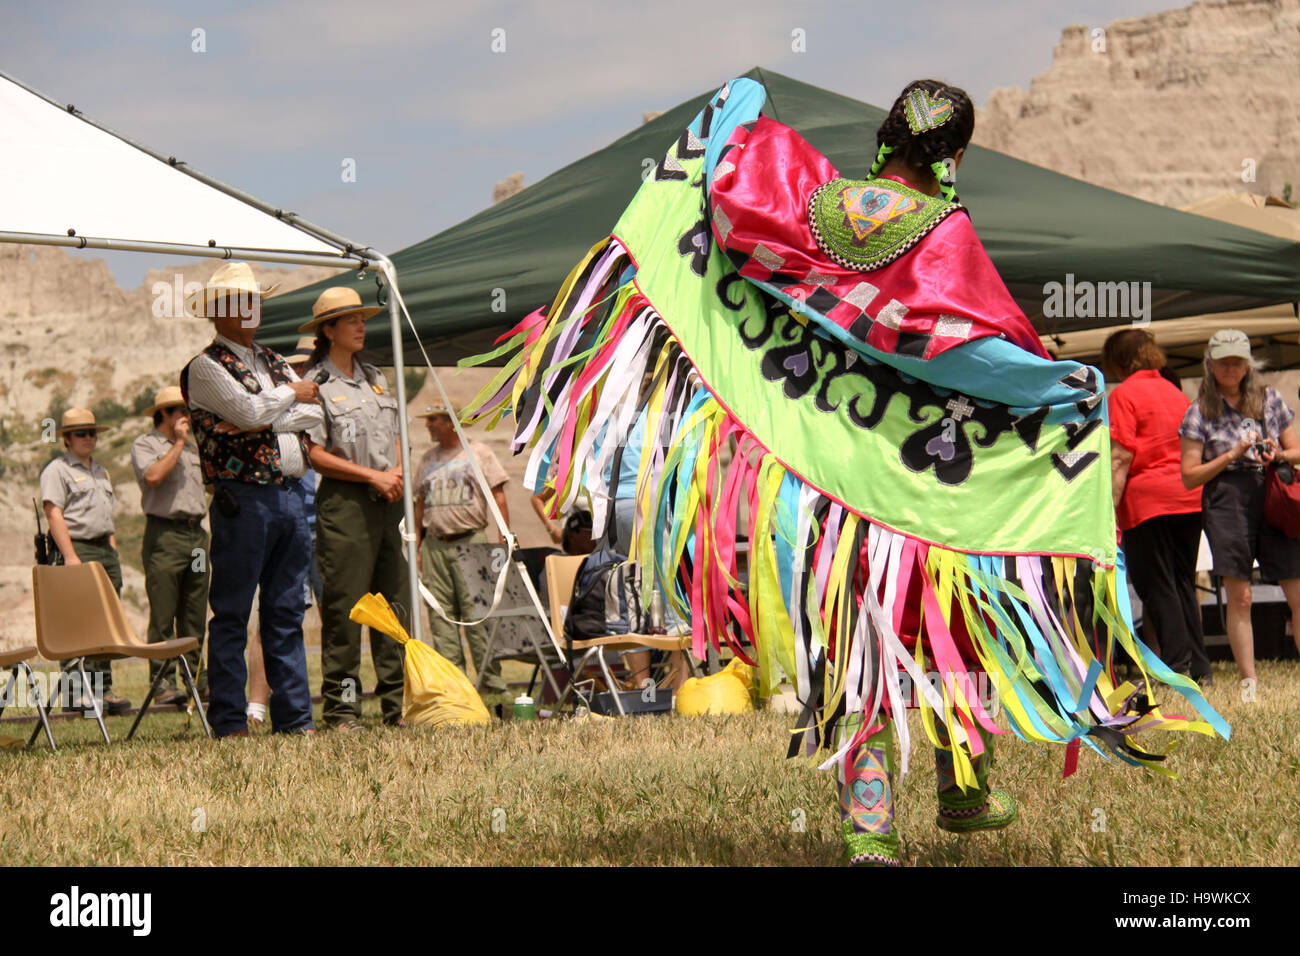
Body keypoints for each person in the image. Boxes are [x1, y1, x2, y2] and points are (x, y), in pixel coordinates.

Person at [463, 76, 1228, 867]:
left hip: (819, 484)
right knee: (941, 628)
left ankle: (870, 829)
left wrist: (742, 97)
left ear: (887, 136)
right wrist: (1062, 386)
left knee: (852, 639)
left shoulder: (814, 205)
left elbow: (734, 182)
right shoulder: (943, 231)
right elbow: (982, 349)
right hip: (914, 482)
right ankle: (962, 788)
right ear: (954, 157)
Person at [180, 262, 323, 738]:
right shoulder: (205, 366)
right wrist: (279, 401)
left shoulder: (273, 361)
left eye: (254, 298)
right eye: (240, 300)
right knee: (234, 610)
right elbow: (252, 408)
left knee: (285, 610)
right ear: (218, 311)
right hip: (243, 498)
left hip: (290, 494)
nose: (251, 308)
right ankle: (228, 721)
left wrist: (257, 418)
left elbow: (312, 415)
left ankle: (296, 721)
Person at [300, 287, 406, 730]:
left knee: (391, 606)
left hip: (388, 502)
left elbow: (397, 431)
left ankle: (397, 707)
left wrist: (397, 471)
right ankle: (342, 711)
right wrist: (373, 477)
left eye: (363, 318)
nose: (362, 326)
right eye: (351, 320)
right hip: (346, 504)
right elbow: (315, 454)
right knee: (345, 609)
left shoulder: (377, 377)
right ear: (329, 330)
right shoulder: (315, 385)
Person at [1179, 328, 1300, 683]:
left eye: (1237, 362)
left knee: (1295, 587)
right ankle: (1249, 682)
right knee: (1240, 595)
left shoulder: (1269, 399)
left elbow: (1295, 450)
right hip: (1226, 497)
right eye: (1223, 362)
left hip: (1273, 490)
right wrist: (1231, 454)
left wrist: (1277, 453)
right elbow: (1189, 476)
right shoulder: (1199, 412)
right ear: (1210, 365)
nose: (1231, 369)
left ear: (1248, 365)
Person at [1103, 330, 1210, 685]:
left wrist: (1108, 510)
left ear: (1118, 359)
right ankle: (1200, 667)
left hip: (1148, 501)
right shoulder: (1175, 392)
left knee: (1157, 584)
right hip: (1188, 496)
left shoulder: (1124, 395)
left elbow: (1120, 457)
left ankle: (1176, 665)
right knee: (1182, 582)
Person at [39, 408, 132, 714]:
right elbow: (54, 513)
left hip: (105, 549)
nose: (89, 438)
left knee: (106, 619)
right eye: (81, 433)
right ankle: (76, 692)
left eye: (92, 432)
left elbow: (107, 515)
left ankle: (103, 690)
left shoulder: (101, 471)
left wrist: (113, 548)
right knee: (77, 620)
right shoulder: (57, 470)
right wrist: (69, 556)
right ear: (66, 438)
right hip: (77, 547)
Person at [413, 402, 510, 694]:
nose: (428, 425)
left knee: (478, 615)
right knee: (441, 616)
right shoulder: (428, 459)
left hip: (471, 541)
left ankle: (491, 684)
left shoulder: (479, 452)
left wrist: (503, 535)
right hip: (435, 545)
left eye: (434, 419)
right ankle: (454, 686)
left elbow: (498, 495)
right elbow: (419, 504)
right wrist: (417, 546)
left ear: (451, 422)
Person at [130, 385, 211, 708]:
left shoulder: (193, 449)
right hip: (165, 535)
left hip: (196, 536)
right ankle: (162, 683)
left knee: (195, 609)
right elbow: (153, 477)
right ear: (164, 414)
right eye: (180, 410)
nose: (186, 417)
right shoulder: (145, 444)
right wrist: (177, 443)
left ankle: (197, 680)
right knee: (164, 611)